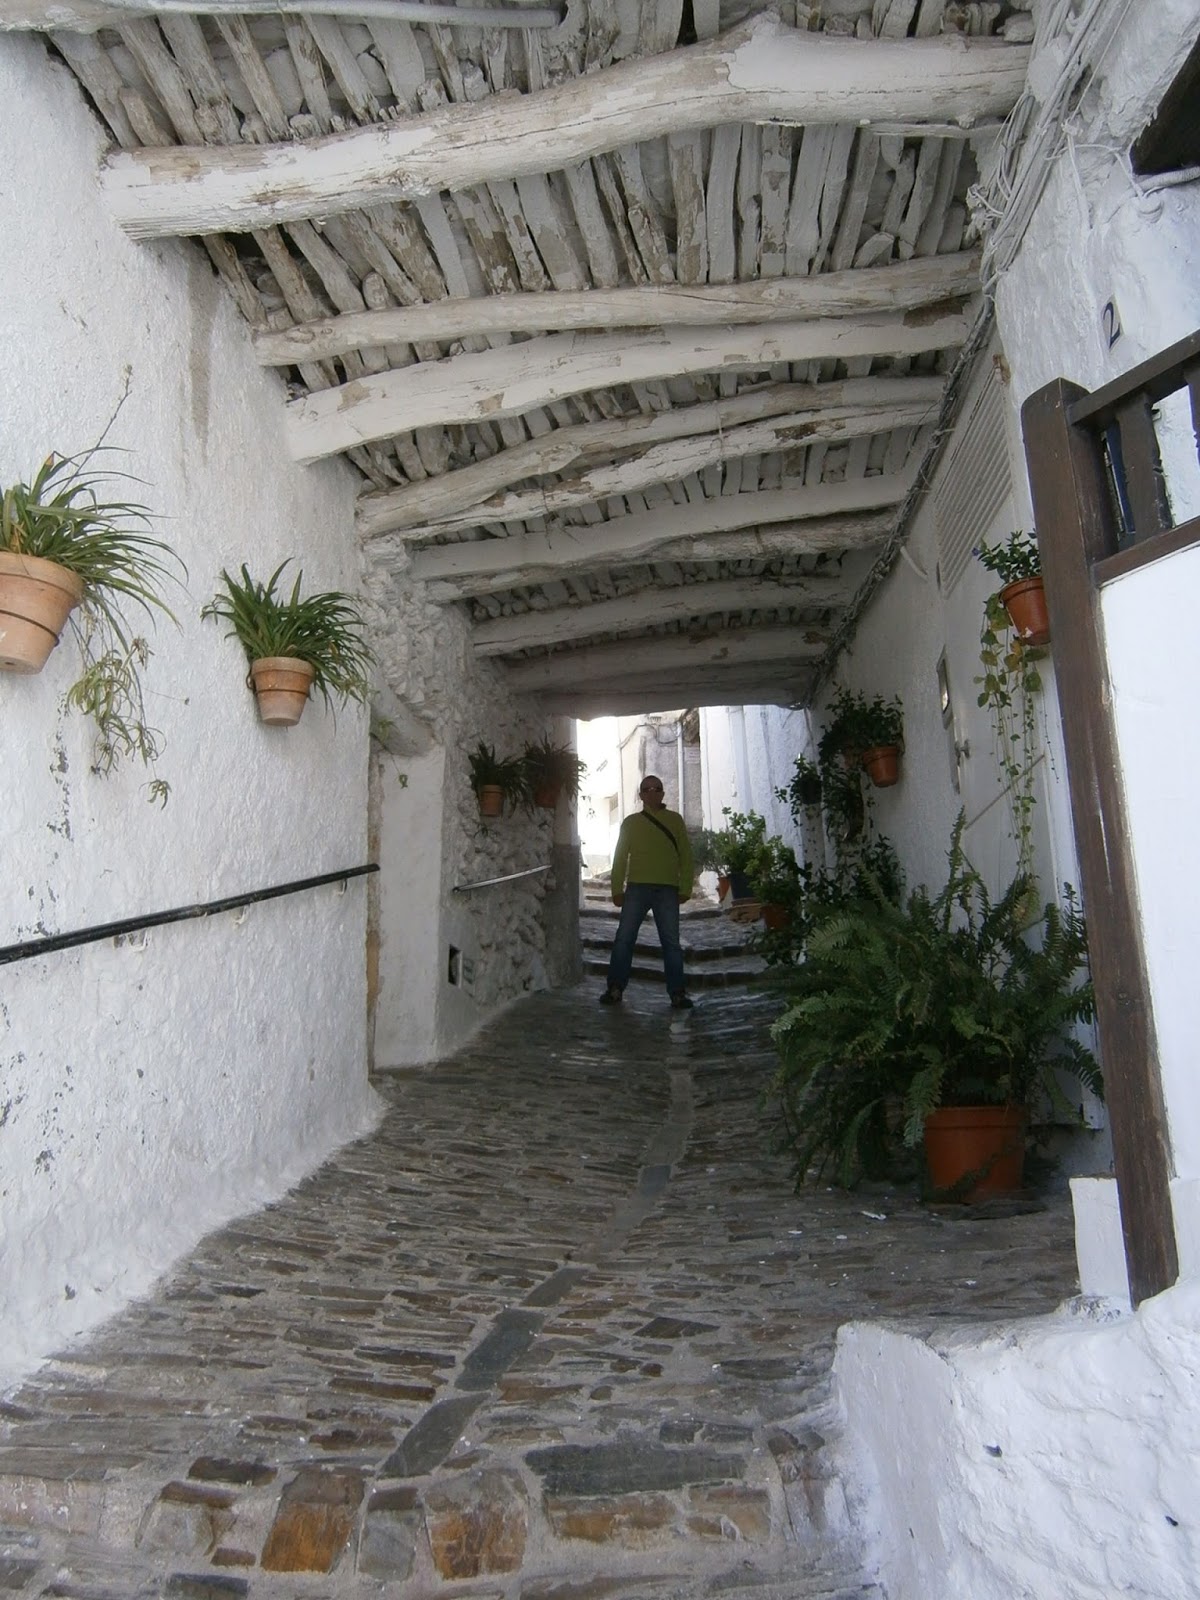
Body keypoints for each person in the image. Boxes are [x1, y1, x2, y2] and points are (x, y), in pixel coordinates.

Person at [600, 774, 695, 1010]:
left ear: (663, 793)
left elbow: (685, 855)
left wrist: (685, 887)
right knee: (624, 939)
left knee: (671, 943)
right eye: (647, 789)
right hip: (637, 889)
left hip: (667, 890)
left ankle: (677, 993)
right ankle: (615, 988)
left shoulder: (676, 821)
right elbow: (620, 857)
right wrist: (616, 890)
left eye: (657, 788)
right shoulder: (631, 823)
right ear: (641, 795)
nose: (652, 792)